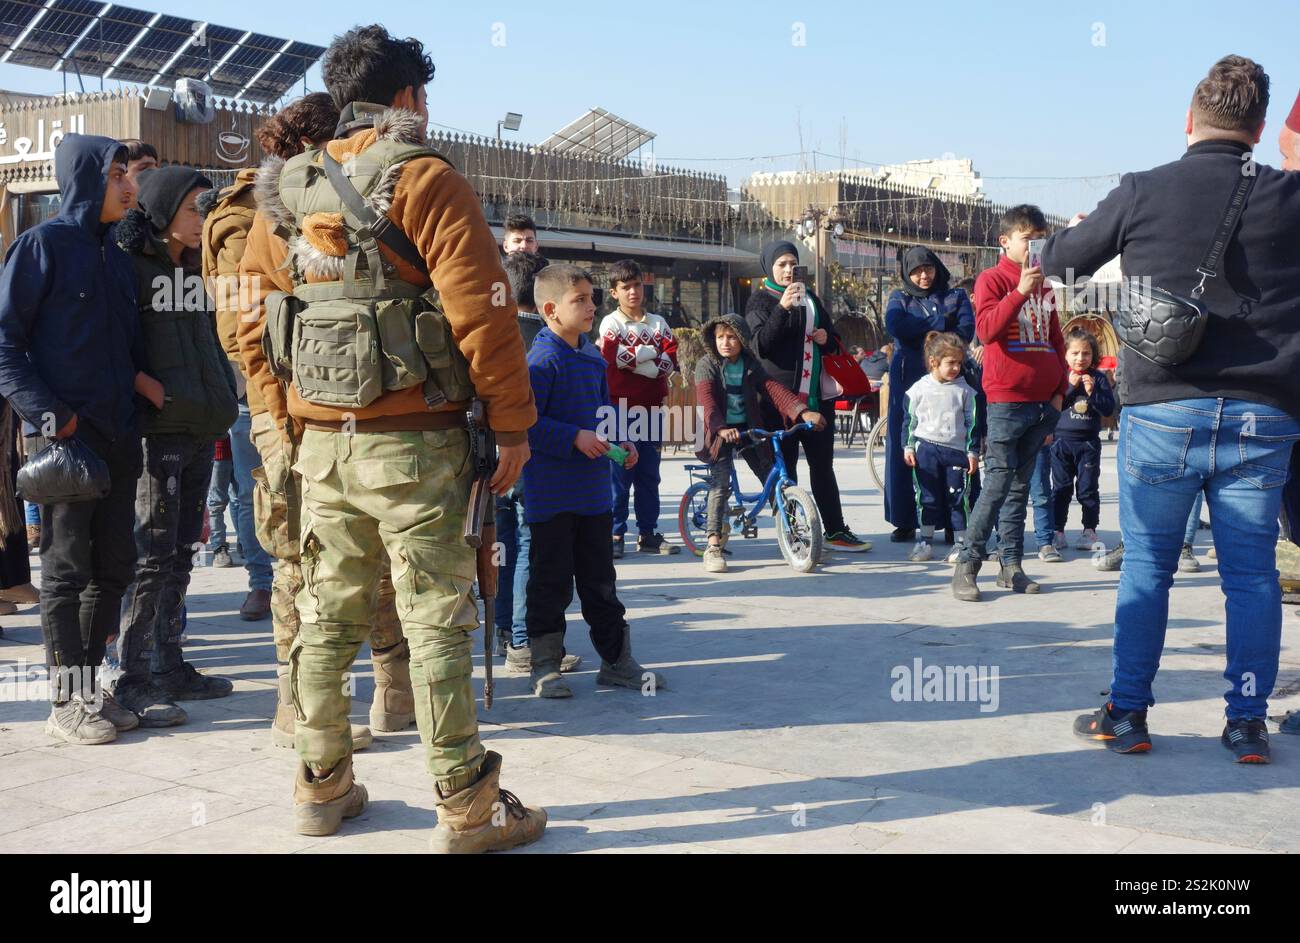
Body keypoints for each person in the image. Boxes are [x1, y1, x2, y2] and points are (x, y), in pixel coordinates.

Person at [238, 24, 545, 850]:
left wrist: (283, 422)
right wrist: (513, 425)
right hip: (416, 443)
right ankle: (467, 807)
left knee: (325, 615)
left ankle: (320, 787)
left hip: (319, 446)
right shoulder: (425, 179)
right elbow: (483, 310)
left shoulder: (281, 194)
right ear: (408, 98)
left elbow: (254, 325)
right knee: (435, 617)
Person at [1044, 55, 1300, 762]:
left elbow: (1061, 260)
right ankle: (1247, 722)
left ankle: (1127, 714)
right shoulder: (1291, 197)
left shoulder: (1144, 189)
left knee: (1149, 565)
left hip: (1163, 409)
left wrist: (1066, 236)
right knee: (1250, 574)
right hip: (1262, 413)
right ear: (1256, 127)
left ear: (1189, 121)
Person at [203, 91, 396, 751]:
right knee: (297, 558)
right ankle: (298, 708)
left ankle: (380, 695)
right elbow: (244, 329)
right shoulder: (259, 214)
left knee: (360, 556)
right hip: (284, 410)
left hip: (331, 411)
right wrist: (275, 415)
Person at [0, 134, 153, 743]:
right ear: (88, 177)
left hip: (118, 436)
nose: (130, 185)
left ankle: (91, 689)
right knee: (65, 569)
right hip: (63, 440)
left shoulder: (115, 255)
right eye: (119, 174)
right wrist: (51, 420)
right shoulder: (40, 246)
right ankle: (65, 703)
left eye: (128, 173)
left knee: (113, 565)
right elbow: (5, 345)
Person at [113, 167, 239, 727]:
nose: (201, 219)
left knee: (183, 549)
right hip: (156, 433)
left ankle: (169, 663)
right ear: (164, 212)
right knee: (152, 555)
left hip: (199, 426)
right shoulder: (130, 268)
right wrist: (146, 386)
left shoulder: (196, 269)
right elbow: (111, 341)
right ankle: (132, 677)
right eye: (192, 209)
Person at [524, 264, 664, 698]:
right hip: (550, 496)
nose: (591, 307)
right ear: (550, 310)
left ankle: (616, 661)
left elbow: (604, 412)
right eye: (579, 300)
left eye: (591, 298)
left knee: (601, 583)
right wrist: (573, 438)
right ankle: (545, 664)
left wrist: (622, 439)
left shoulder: (590, 356)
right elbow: (526, 425)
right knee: (550, 583)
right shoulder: (541, 360)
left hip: (593, 496)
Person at [951, 205, 1067, 602]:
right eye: (1028, 239)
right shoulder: (991, 279)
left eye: (1041, 240)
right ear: (1005, 241)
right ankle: (968, 565)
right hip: (1006, 400)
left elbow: (1056, 340)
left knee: (1020, 487)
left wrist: (1059, 393)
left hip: (1042, 403)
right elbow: (985, 330)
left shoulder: (1047, 286)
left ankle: (1012, 565)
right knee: (998, 481)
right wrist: (1019, 290)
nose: (1035, 247)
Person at [745, 240, 871, 552]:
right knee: (786, 470)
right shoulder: (759, 301)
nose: (788, 270)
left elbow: (833, 341)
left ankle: (835, 530)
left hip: (816, 399)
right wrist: (783, 308)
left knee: (823, 466)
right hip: (779, 401)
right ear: (769, 268)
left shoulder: (812, 299)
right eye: (782, 265)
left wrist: (828, 340)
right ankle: (793, 533)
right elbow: (762, 345)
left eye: (793, 264)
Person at [497, 251, 581, 676]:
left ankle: (504, 634)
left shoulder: (491, 333)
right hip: (531, 466)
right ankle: (523, 642)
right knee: (531, 550)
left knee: (501, 550)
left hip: (490, 459)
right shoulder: (549, 344)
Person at [694, 314, 823, 574]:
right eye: (720, 337)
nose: (725, 342)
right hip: (717, 431)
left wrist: (802, 412)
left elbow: (775, 390)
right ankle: (713, 546)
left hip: (748, 429)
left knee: (771, 475)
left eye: (731, 337)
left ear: (742, 340)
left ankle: (794, 535)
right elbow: (706, 402)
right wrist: (720, 428)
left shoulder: (751, 365)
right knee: (720, 485)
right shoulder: (706, 364)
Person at [884, 247, 975, 543]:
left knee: (953, 442)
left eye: (929, 269)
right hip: (909, 372)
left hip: (949, 376)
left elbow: (965, 330)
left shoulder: (956, 296)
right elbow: (896, 324)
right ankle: (906, 519)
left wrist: (926, 331)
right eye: (916, 271)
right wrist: (939, 323)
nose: (924, 276)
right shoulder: (900, 297)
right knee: (907, 440)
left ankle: (955, 521)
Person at [598, 259, 681, 557]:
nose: (632, 291)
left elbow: (670, 360)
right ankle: (615, 533)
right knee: (620, 472)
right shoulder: (611, 323)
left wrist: (635, 360)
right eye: (625, 287)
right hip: (618, 410)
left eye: (636, 285)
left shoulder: (659, 322)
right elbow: (611, 359)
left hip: (652, 410)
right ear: (613, 292)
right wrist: (650, 354)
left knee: (649, 473)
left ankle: (648, 533)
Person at [902, 332, 979, 563]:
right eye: (950, 363)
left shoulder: (966, 391)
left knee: (958, 499)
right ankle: (924, 542)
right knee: (927, 498)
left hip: (956, 453)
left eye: (959, 363)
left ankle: (960, 544)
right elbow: (909, 421)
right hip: (926, 450)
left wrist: (973, 451)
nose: (956, 368)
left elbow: (973, 423)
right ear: (934, 361)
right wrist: (908, 447)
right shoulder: (918, 389)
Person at [1049, 327, 1115, 553]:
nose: (1080, 358)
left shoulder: (1098, 378)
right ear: (1065, 354)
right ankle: (1057, 531)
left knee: (1087, 489)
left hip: (1088, 443)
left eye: (1086, 353)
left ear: (1093, 356)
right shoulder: (1059, 375)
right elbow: (1053, 405)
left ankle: (1089, 530)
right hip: (1061, 442)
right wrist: (1070, 387)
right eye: (1075, 353)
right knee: (1061, 488)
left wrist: (1091, 392)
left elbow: (1108, 409)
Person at [205, 434, 235, 567]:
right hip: (219, 451)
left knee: (241, 501)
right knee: (216, 503)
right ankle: (218, 548)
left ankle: (246, 543)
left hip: (243, 450)